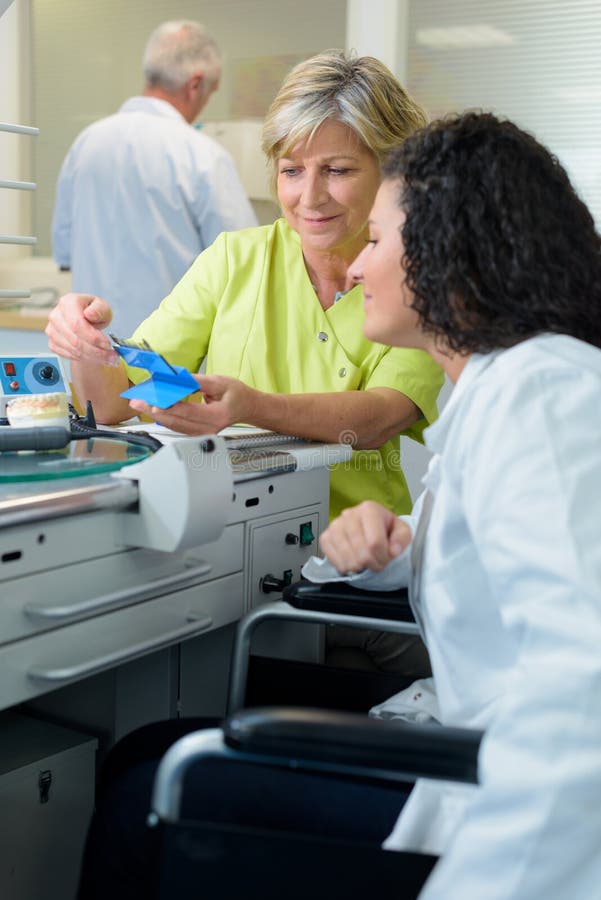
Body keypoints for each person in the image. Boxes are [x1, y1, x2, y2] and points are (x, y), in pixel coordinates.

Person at [76, 110, 601, 900]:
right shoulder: (511, 388)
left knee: (148, 786)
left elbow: (582, 695)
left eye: (379, 240)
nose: (357, 269)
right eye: (291, 171)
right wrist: (399, 543)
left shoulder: (539, 397)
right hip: (473, 746)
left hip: (503, 811)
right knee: (140, 752)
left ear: (448, 254)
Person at [47, 49, 444, 674]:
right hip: (222, 554)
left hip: (352, 575)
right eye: (290, 171)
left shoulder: (413, 274)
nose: (308, 196)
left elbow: (377, 417)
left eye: (337, 170)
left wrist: (250, 405)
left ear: (389, 171)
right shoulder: (234, 260)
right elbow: (113, 402)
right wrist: (87, 340)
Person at [51, 20, 257, 337]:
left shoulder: (85, 144)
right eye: (209, 94)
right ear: (195, 84)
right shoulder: (202, 155)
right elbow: (246, 265)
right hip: (171, 361)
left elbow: (65, 253)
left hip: (92, 349)